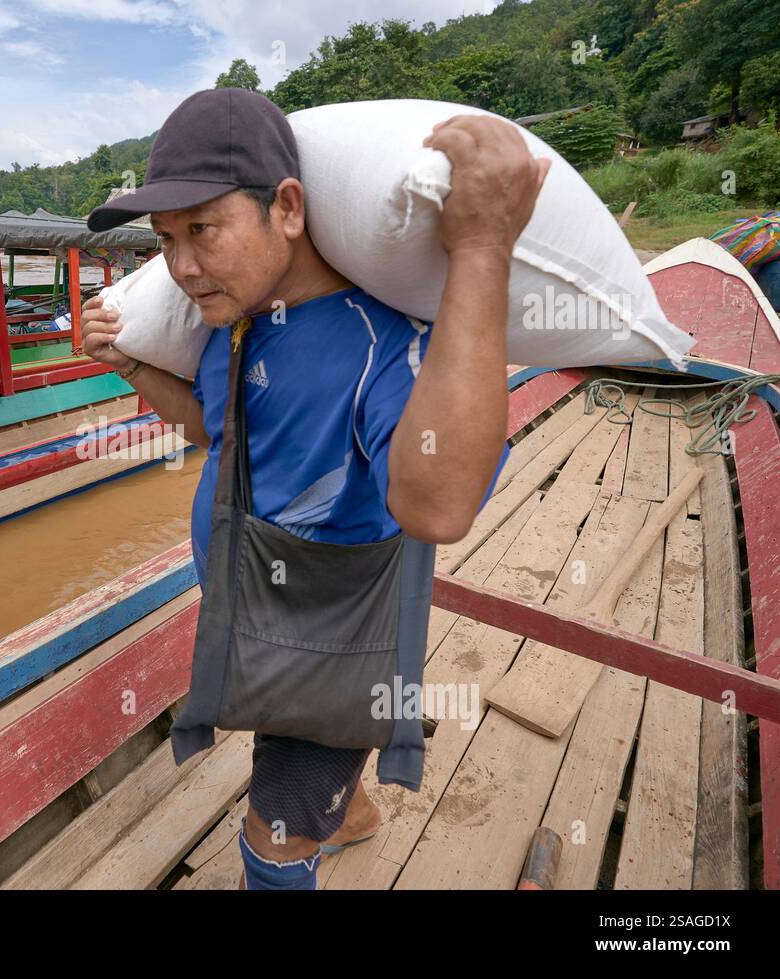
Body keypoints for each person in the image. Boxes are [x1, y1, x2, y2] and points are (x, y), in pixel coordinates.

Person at [81, 89, 548, 889]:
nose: (182, 266)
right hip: (256, 614)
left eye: (202, 228)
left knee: (274, 840)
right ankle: (351, 809)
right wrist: (129, 364)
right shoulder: (241, 322)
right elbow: (215, 432)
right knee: (305, 766)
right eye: (165, 240)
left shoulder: (383, 344)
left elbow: (438, 506)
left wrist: (480, 249)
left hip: (336, 638)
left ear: (287, 208)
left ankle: (310, 826)